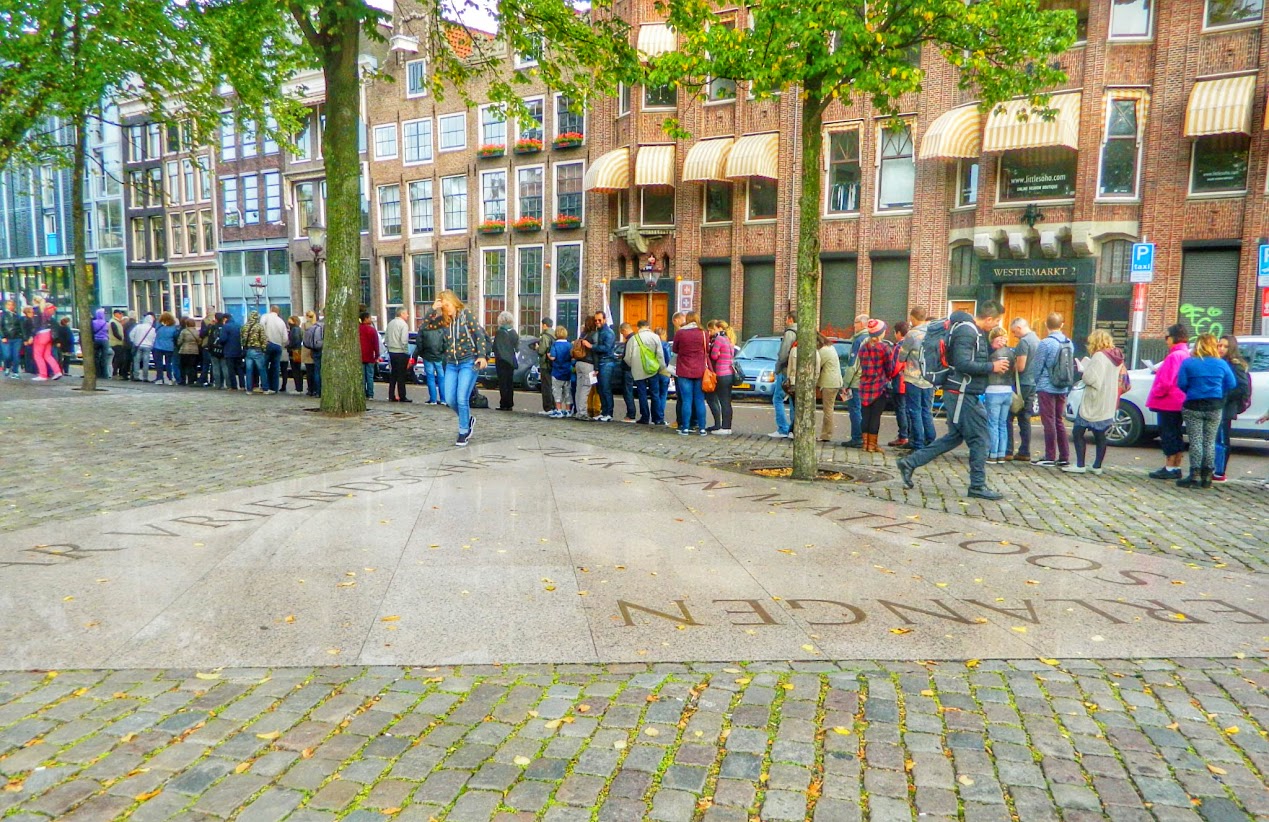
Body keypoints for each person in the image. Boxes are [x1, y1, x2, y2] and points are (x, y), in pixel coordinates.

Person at [897, 302, 1010, 501]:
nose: (997, 326)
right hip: (961, 393)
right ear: (990, 318)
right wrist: (992, 366)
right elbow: (962, 362)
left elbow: (968, 359)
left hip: (963, 392)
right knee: (980, 438)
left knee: (955, 437)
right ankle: (977, 485)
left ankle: (910, 462)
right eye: (997, 321)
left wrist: (990, 357)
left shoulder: (969, 330)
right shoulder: (968, 331)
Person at [421, 290, 490, 447]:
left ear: (454, 302)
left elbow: (479, 334)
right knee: (450, 399)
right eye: (444, 306)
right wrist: (433, 309)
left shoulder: (466, 315)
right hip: (452, 363)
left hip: (468, 362)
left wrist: (481, 355)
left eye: (448, 305)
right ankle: (468, 419)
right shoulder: (444, 320)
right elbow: (425, 327)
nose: (447, 308)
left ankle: (463, 431)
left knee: (461, 397)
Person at [1176, 333, 1235, 489]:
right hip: (1214, 405)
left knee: (1196, 441)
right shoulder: (1221, 364)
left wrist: (1192, 390)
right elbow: (1231, 383)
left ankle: (1194, 475)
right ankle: (1207, 476)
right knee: (1209, 442)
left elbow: (1181, 383)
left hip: (1193, 404)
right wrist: (1218, 392)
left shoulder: (1189, 363)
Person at [1063, 330, 1124, 475]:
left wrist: (1083, 371)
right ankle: (1097, 466)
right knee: (1100, 433)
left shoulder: (1099, 356)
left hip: (1094, 399)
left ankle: (1080, 464)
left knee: (1078, 431)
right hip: (1108, 398)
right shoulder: (1116, 357)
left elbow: (1091, 379)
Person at [1146, 324, 1190, 480]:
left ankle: (1170, 466)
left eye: (1167, 337)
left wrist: (1156, 392)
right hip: (1180, 401)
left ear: (1173, 338)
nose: (1166, 341)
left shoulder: (1174, 356)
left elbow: (1166, 382)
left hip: (1168, 401)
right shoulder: (1186, 354)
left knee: (1168, 433)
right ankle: (1176, 465)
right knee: (1176, 433)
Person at [1031, 313, 1073, 467]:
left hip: (1046, 386)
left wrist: (1037, 382)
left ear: (1046, 325)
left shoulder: (1046, 343)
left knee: (1048, 421)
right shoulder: (1069, 342)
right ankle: (1064, 456)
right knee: (1059, 420)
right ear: (1061, 325)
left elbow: (1038, 366)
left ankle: (1050, 455)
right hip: (1062, 386)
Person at [1214, 334, 1251, 482]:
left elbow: (1242, 387)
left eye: (1225, 346)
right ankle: (1213, 468)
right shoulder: (1217, 361)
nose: (1222, 349)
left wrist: (1224, 396)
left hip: (1225, 407)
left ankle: (1220, 471)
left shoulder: (1235, 365)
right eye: (1219, 345)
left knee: (1221, 439)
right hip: (1216, 406)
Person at [900, 307, 935, 451]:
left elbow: (902, 356)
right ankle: (931, 440)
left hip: (913, 377)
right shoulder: (933, 332)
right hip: (929, 378)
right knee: (927, 410)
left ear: (913, 317)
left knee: (914, 410)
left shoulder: (912, 334)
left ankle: (918, 442)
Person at [1007, 317, 1041, 462]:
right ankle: (1025, 450)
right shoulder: (1037, 340)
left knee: (1008, 417)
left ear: (1019, 328)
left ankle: (1007, 449)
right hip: (1033, 383)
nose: (1014, 335)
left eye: (1014, 332)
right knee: (1025, 418)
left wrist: (1009, 366)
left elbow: (1020, 367)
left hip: (1022, 385)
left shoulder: (1024, 342)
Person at [856, 319, 892, 453]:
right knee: (875, 416)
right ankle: (872, 445)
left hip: (865, 385)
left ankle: (865, 444)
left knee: (865, 416)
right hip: (879, 386)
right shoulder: (884, 348)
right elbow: (890, 367)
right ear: (881, 333)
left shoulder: (863, 348)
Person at [671, 311, 709, 436]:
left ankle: (685, 427)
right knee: (699, 400)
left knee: (686, 400)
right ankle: (702, 428)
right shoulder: (703, 333)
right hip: (700, 370)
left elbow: (675, 349)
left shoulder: (680, 333)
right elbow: (707, 350)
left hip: (684, 369)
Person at [982, 327, 1016, 464]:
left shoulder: (991, 353)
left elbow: (985, 366)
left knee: (992, 423)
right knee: (1003, 423)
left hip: (993, 390)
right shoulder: (1011, 353)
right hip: (1008, 390)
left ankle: (992, 454)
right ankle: (1002, 454)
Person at [624, 319, 666, 425]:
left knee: (642, 394)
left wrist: (633, 366)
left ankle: (645, 417)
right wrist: (661, 367)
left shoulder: (633, 339)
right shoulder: (655, 337)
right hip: (653, 369)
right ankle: (657, 418)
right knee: (655, 394)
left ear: (638, 327)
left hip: (638, 370)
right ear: (648, 326)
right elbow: (660, 355)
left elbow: (627, 357)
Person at [843, 313, 870, 448]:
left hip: (856, 382)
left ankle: (857, 437)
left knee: (855, 409)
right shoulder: (871, 338)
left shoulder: (858, 340)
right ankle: (865, 437)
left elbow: (852, 364)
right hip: (866, 380)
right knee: (864, 411)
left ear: (862, 324)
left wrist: (845, 384)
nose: (854, 325)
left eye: (856, 322)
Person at [769, 311, 798, 438]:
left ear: (790, 320)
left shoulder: (790, 333)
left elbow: (783, 354)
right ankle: (794, 429)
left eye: (786, 319)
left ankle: (783, 428)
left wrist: (778, 368)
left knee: (778, 398)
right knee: (793, 401)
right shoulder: (803, 332)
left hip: (786, 370)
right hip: (796, 371)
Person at [705, 320, 736, 434]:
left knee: (722, 400)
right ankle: (727, 426)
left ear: (718, 328)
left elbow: (713, 355)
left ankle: (724, 427)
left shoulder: (719, 339)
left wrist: (716, 353)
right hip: (729, 373)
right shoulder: (729, 339)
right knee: (727, 401)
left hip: (721, 373)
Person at [590, 311, 618, 422]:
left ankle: (609, 413)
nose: (597, 322)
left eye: (599, 320)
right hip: (601, 363)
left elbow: (606, 348)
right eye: (595, 320)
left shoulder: (608, 333)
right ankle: (604, 411)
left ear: (604, 320)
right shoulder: (599, 332)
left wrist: (592, 346)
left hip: (607, 363)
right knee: (601, 389)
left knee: (606, 388)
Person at [816, 332, 843, 442]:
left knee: (828, 409)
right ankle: (826, 434)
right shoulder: (830, 347)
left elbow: (816, 364)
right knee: (829, 408)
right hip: (834, 381)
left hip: (829, 383)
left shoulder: (823, 351)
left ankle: (826, 434)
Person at [888, 321, 911, 448]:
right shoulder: (912, 343)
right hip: (910, 381)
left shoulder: (899, 346)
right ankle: (909, 434)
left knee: (900, 409)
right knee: (908, 409)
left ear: (898, 333)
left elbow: (895, 365)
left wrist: (889, 375)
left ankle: (903, 436)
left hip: (900, 382)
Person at [492, 311, 519, 410]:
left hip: (501, 361)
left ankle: (504, 403)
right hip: (511, 361)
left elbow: (495, 347)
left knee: (503, 383)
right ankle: (510, 403)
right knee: (509, 383)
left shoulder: (500, 332)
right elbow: (517, 347)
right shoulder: (514, 333)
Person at [573, 316, 598, 420]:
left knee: (579, 388)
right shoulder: (594, 335)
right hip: (588, 364)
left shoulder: (582, 335)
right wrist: (596, 367)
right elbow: (595, 352)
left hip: (578, 363)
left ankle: (578, 411)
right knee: (586, 388)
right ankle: (583, 412)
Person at [386, 308, 413, 403]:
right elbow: (404, 341)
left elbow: (386, 338)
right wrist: (406, 352)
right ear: (401, 314)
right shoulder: (404, 325)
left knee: (393, 374)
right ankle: (402, 395)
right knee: (401, 375)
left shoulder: (390, 323)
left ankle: (391, 394)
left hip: (392, 351)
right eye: (406, 313)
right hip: (401, 352)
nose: (407, 315)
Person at [261, 305, 289, 393]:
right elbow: (285, 338)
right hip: (278, 346)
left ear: (270, 310)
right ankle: (274, 387)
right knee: (276, 367)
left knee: (264, 366)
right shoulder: (281, 321)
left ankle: (265, 386)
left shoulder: (265, 317)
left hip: (268, 344)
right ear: (278, 312)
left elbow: (261, 327)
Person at [548, 325, 573, 417]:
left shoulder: (555, 345)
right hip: (567, 371)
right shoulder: (569, 345)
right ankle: (568, 410)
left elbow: (553, 357)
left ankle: (558, 409)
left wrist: (548, 355)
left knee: (557, 391)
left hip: (557, 372)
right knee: (568, 392)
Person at [416, 320, 444, 405]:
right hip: (438, 356)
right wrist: (442, 352)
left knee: (430, 378)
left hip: (427, 356)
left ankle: (433, 399)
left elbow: (419, 343)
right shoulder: (441, 330)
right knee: (441, 378)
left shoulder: (424, 330)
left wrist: (422, 353)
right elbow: (445, 343)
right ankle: (444, 399)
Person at [240, 310, 268, 394]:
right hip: (257, 349)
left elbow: (242, 339)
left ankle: (249, 389)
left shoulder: (244, 326)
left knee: (249, 370)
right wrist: (264, 349)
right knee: (262, 369)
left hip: (248, 350)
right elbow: (263, 339)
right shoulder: (259, 326)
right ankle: (265, 388)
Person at [152, 312, 179, 385]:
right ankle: (170, 379)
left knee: (159, 364)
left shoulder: (158, 326)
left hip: (158, 346)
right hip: (169, 347)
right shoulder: (174, 328)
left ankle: (160, 378)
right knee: (168, 363)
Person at [616, 322, 637, 421]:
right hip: (634, 369)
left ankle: (631, 414)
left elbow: (628, 357)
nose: (622, 336)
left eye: (622, 333)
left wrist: (623, 359)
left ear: (624, 330)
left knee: (627, 392)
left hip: (628, 369)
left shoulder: (630, 340)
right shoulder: (636, 338)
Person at [358, 311, 380, 400]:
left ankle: (363, 392)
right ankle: (370, 394)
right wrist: (377, 355)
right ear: (366, 319)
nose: (371, 320)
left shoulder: (358, 329)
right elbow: (376, 344)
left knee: (362, 376)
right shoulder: (372, 330)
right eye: (369, 318)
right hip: (370, 356)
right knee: (370, 376)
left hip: (360, 356)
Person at [129, 312, 156, 383]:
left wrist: (134, 342)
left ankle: (136, 376)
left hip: (138, 345)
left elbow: (131, 334)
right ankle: (145, 377)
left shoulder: (138, 326)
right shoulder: (152, 329)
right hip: (148, 346)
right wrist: (151, 344)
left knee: (136, 361)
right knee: (146, 362)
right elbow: (154, 338)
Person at [302, 311, 323, 397]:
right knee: (318, 370)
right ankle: (318, 390)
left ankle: (311, 389)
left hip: (308, 350)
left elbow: (303, 338)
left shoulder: (305, 325)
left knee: (310, 371)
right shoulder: (319, 325)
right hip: (319, 348)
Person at [219, 312, 242, 390]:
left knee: (231, 369)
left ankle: (233, 386)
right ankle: (242, 385)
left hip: (229, 350)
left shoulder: (225, 327)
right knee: (239, 368)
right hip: (238, 350)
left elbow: (223, 339)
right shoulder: (239, 325)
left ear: (225, 319)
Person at [654, 326, 672, 426]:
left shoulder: (652, 344)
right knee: (663, 394)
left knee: (655, 395)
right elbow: (668, 358)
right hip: (664, 371)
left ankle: (655, 416)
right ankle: (660, 417)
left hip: (654, 371)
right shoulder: (665, 345)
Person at [0, 301, 23, 378]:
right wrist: (3, 336)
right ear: (6, 306)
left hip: (17, 338)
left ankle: (15, 372)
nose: (11, 306)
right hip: (6, 338)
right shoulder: (2, 315)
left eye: (12, 305)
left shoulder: (18, 316)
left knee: (16, 355)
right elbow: (0, 327)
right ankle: (7, 366)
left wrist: (22, 337)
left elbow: (21, 327)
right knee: (7, 355)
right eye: (9, 305)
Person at [176, 317, 201, 386]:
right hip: (194, 351)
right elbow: (199, 341)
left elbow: (179, 341)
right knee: (192, 366)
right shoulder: (197, 332)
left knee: (183, 366)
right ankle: (191, 381)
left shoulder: (184, 331)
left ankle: (183, 381)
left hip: (184, 350)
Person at [537, 317, 555, 414]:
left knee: (546, 386)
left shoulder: (545, 337)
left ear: (544, 325)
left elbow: (541, 351)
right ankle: (554, 406)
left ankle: (548, 407)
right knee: (552, 386)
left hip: (545, 364)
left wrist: (537, 348)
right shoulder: (555, 334)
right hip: (553, 364)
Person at [204, 313, 226, 389]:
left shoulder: (213, 327)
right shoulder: (224, 327)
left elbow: (210, 338)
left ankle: (217, 384)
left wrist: (209, 348)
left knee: (215, 367)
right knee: (224, 367)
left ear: (216, 319)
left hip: (214, 350)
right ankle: (224, 384)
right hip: (223, 350)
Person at [284, 315, 305, 393]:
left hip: (295, 351)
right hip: (297, 351)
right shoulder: (298, 329)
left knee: (296, 370)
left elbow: (295, 340)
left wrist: (289, 346)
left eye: (290, 321)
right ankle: (299, 387)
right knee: (297, 370)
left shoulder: (294, 330)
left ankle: (298, 388)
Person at [108, 309, 131, 379]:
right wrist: (121, 338)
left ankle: (117, 373)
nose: (121, 315)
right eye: (120, 314)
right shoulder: (113, 322)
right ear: (115, 314)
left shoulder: (117, 322)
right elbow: (115, 333)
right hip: (115, 343)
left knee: (119, 359)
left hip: (119, 343)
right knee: (118, 359)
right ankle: (115, 373)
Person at [90, 307, 110, 378]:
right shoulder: (106, 323)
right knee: (104, 357)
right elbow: (108, 332)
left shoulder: (93, 322)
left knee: (96, 357)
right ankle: (104, 374)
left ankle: (97, 373)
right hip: (104, 340)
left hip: (95, 340)